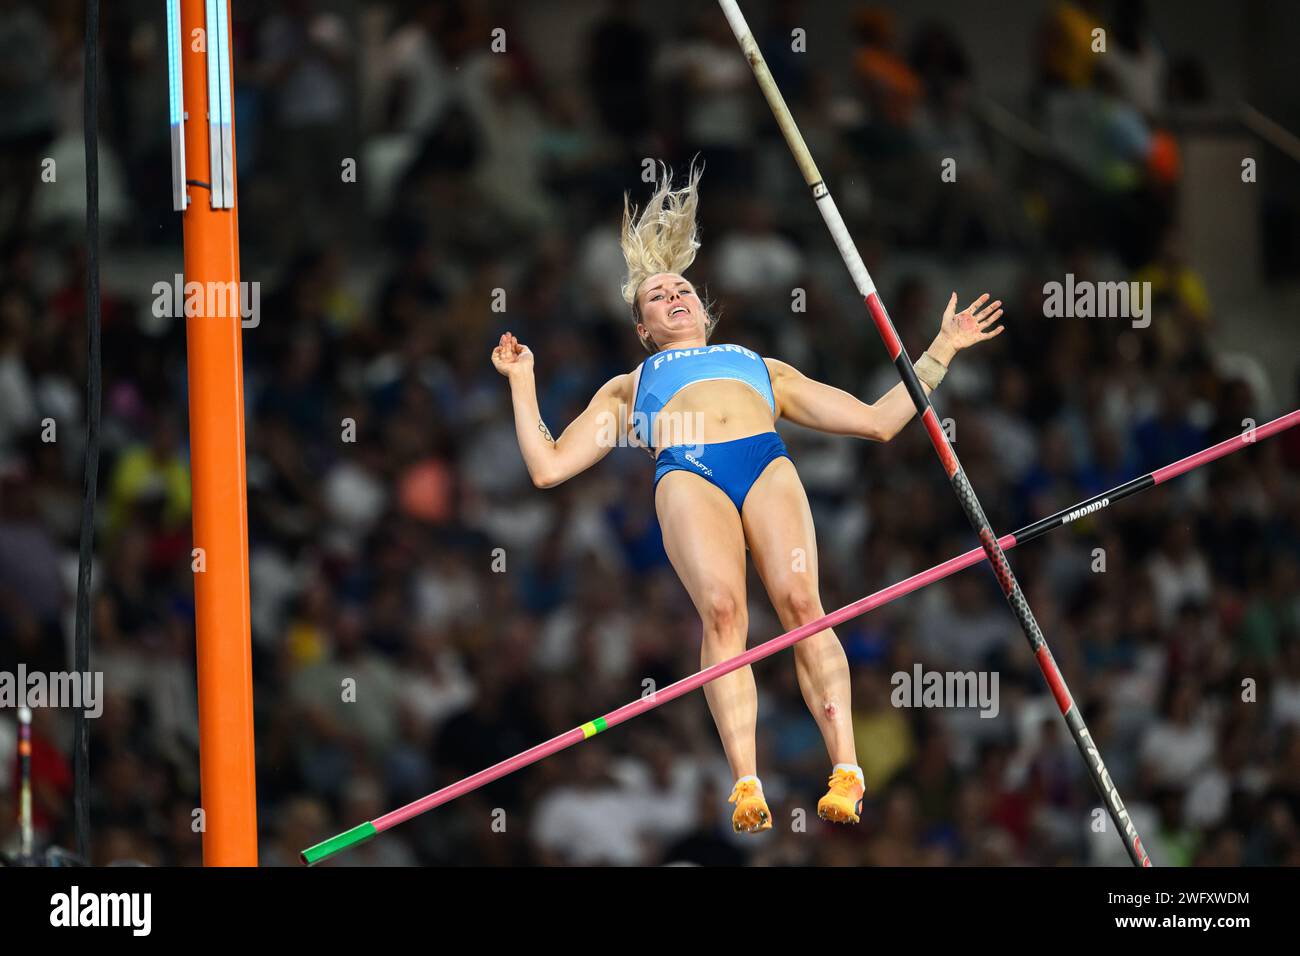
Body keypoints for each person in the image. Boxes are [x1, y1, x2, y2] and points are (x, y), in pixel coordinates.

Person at [491, 164, 1004, 832]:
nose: (672, 295)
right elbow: (549, 468)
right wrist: (522, 381)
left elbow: (879, 421)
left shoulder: (761, 365)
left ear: (703, 308)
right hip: (688, 471)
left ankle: (845, 768)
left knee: (803, 608)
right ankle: (745, 780)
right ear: (643, 328)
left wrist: (941, 348)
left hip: (763, 461)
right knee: (725, 613)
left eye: (680, 287)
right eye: (655, 296)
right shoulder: (629, 383)